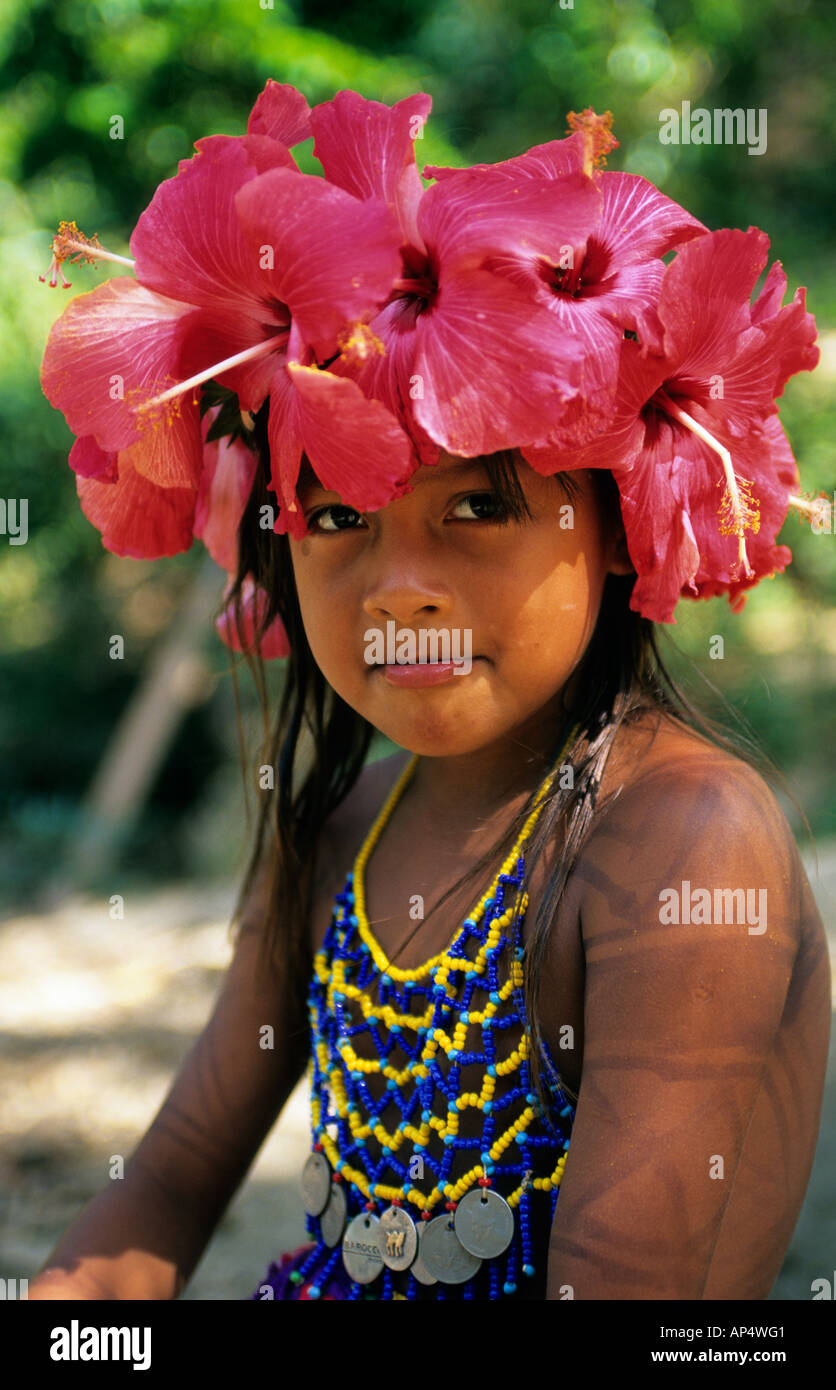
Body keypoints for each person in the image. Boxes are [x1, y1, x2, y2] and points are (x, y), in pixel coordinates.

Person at [29, 82, 830, 1301]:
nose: (400, 588)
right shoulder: (338, 831)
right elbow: (174, 1175)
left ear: (617, 523)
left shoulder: (687, 840)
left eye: (476, 508)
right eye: (339, 513)